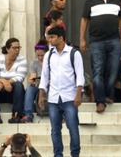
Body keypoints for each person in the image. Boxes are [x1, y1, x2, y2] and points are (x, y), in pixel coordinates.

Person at [79, 0, 121, 113]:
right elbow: (84, 20)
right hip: (96, 42)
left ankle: (105, 95)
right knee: (98, 71)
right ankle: (100, 101)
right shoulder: (90, 0)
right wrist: (82, 39)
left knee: (112, 72)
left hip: (114, 41)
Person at [39, 26, 84, 157]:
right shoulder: (48, 55)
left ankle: (75, 154)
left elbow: (80, 76)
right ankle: (58, 154)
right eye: (49, 37)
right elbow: (45, 76)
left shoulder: (74, 54)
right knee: (55, 130)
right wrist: (41, 95)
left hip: (69, 96)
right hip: (53, 97)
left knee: (73, 128)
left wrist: (78, 95)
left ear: (61, 38)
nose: (50, 40)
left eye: (52, 37)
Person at [0, 37, 27, 124]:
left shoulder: (22, 60)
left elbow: (20, 77)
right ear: (7, 49)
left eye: (18, 48)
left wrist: (7, 83)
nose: (17, 50)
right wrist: (2, 82)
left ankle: (16, 115)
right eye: (14, 48)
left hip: (13, 92)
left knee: (18, 85)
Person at [21, 41, 47, 122]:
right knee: (29, 89)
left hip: (50, 85)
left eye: (42, 55)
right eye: (38, 55)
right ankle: (28, 114)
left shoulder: (51, 62)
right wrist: (32, 81)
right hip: (38, 85)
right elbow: (32, 77)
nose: (40, 58)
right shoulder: (34, 63)